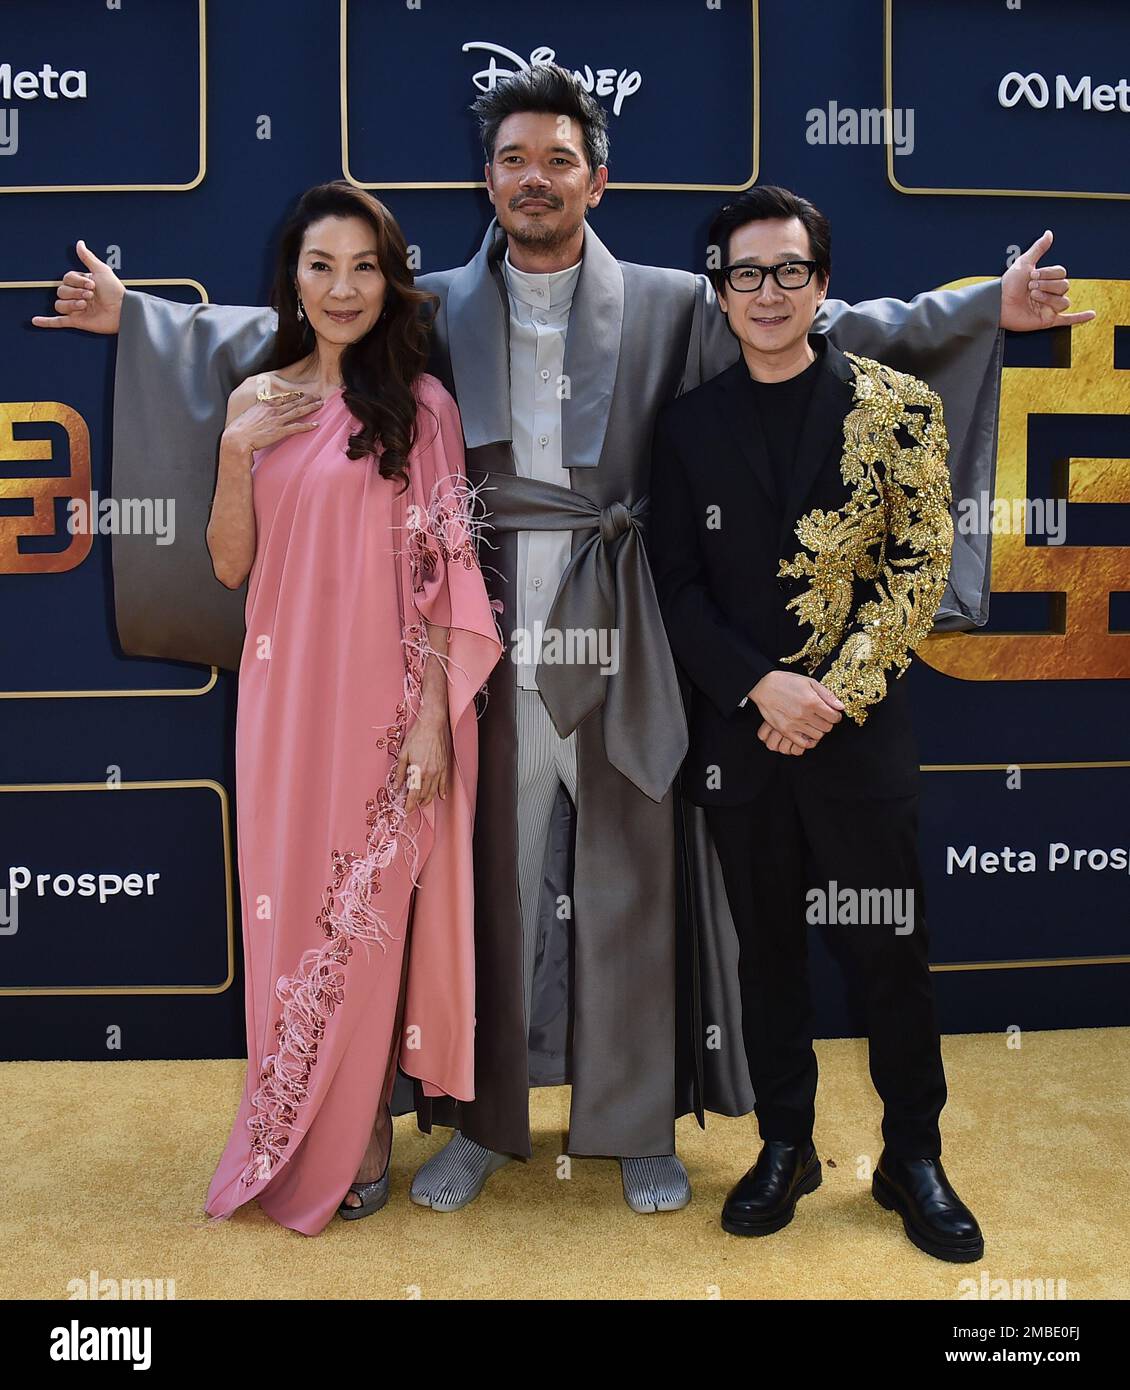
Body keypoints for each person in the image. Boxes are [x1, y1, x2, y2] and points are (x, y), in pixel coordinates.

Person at [33, 66, 1089, 1217]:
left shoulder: (672, 300)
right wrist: (138, 318)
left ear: (598, 175)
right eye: (512, 160)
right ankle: (485, 1124)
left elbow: (815, 319)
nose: (533, 179)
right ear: (485, 181)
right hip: (475, 634)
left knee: (629, 873)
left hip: (629, 621)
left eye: (557, 158)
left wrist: (982, 308)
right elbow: (303, 328)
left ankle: (635, 1125)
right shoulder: (428, 307)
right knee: (485, 881)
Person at [649, 186, 985, 1261]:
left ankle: (911, 1155)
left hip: (858, 735)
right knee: (767, 959)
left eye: (788, 270)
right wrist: (760, 689)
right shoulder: (689, 424)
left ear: (821, 283)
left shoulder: (899, 407)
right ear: (720, 289)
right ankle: (784, 1143)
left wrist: (827, 693)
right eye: (745, 273)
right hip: (741, 742)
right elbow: (676, 586)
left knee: (891, 950)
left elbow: (916, 569)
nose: (767, 292)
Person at [165, 182, 498, 1233]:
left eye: (363, 266)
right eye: (322, 266)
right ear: (292, 280)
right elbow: (229, 565)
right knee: (282, 925)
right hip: (280, 703)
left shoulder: (423, 409)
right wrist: (232, 446)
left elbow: (451, 573)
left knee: (363, 928)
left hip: (389, 711)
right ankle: (286, 1129)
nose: (343, 287)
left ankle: (358, 1136)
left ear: (388, 280)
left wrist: (436, 720)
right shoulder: (255, 402)